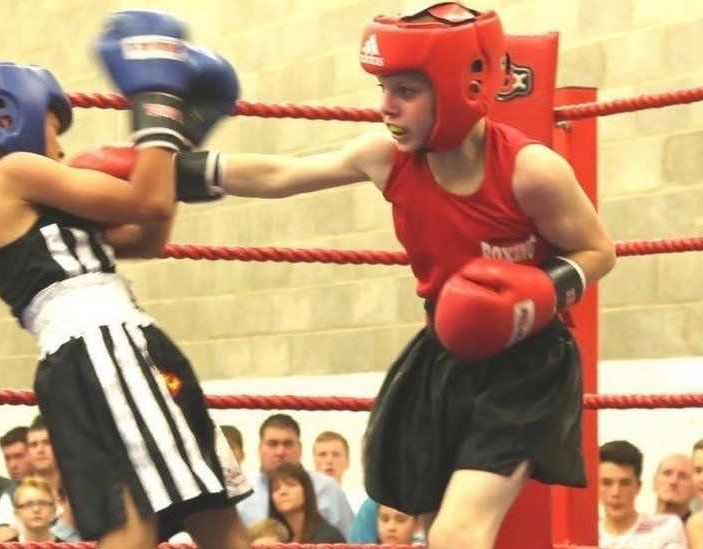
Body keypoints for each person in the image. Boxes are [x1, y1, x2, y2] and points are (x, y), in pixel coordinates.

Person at [174, 3, 615, 547]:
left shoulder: (531, 171)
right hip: (444, 344)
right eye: (383, 87)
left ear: (464, 86)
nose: (386, 106)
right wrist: (169, 170)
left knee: (457, 533)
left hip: (528, 362)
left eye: (405, 90)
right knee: (426, 523)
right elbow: (281, 174)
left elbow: (598, 250)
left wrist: (539, 292)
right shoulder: (386, 157)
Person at [0, 10, 248, 549]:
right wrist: (157, 101)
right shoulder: (10, 174)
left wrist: (172, 137)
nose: (59, 149)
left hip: (105, 348)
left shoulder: (27, 202)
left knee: (214, 515)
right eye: (54, 129)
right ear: (6, 115)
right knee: (134, 523)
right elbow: (148, 200)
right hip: (101, 346)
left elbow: (146, 236)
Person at [236, 414, 353, 535]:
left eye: (288, 444)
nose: (280, 452)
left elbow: (350, 539)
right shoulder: (241, 490)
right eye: (272, 444)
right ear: (260, 449)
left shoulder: (327, 487)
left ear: (300, 449)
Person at [599, 441, 687, 548]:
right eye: (607, 483)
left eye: (625, 484)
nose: (615, 493)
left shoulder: (666, 527)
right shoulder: (586, 535)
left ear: (638, 487)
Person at [267, 463, 344, 543]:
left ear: (306, 490)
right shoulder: (275, 539)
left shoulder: (328, 537)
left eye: (291, 485)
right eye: (276, 488)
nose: (283, 492)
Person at [11, 476, 58, 542]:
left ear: (53, 509)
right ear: (17, 513)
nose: (36, 509)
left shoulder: (67, 546)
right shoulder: (4, 546)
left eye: (43, 503)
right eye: (28, 504)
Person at [654, 454, 696, 523]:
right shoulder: (639, 526)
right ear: (654, 481)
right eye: (667, 473)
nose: (673, 481)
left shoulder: (697, 529)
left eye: (683, 476)